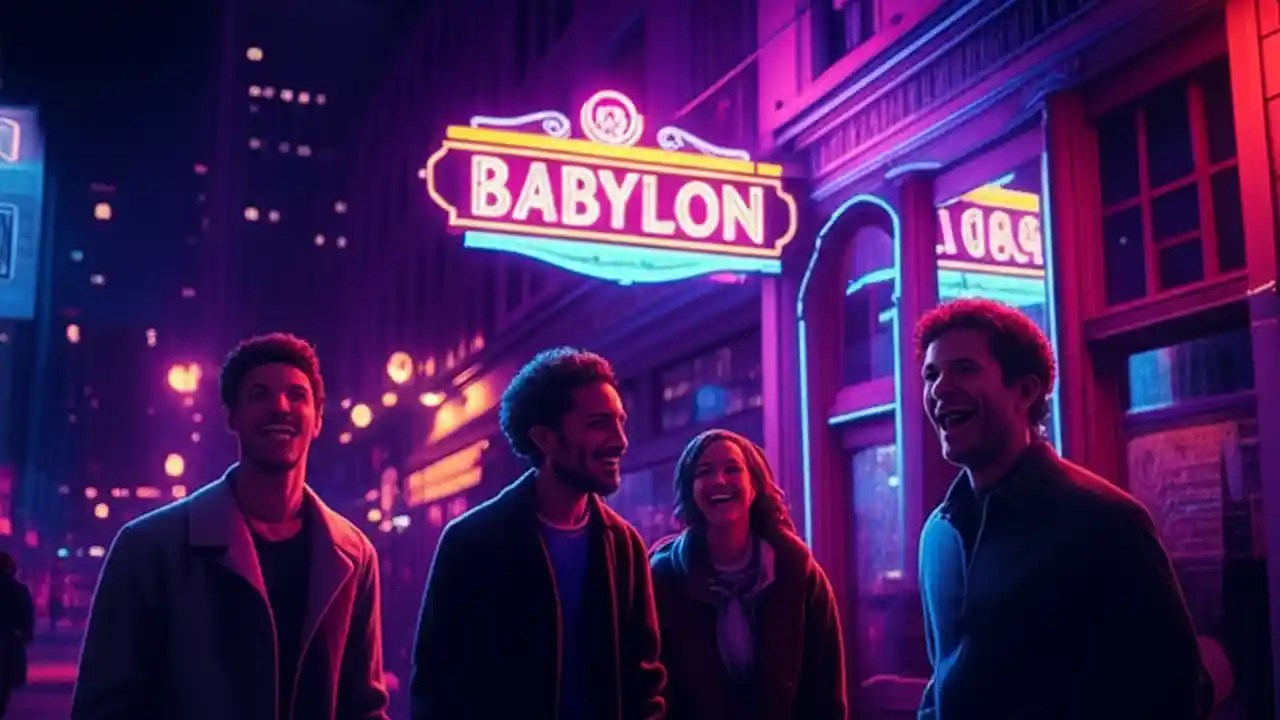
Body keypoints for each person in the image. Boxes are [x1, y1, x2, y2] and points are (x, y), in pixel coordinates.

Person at [915, 299, 1208, 719]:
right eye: (931, 374)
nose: (940, 388)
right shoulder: (937, 536)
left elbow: (1176, 694)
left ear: (1026, 391)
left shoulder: (1104, 522)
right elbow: (942, 686)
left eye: (964, 368)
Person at [73, 333, 389, 720]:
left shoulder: (354, 555)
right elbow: (105, 707)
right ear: (231, 417)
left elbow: (364, 707)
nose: (280, 407)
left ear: (318, 419)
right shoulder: (149, 547)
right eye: (259, 394)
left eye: (297, 395)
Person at [410, 347, 665, 720]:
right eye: (599, 424)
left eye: (620, 421)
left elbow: (645, 683)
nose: (620, 440)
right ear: (545, 439)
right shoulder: (471, 542)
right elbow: (436, 688)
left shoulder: (623, 545)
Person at [650, 429, 846, 720]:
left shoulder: (798, 574)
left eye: (732, 469)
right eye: (705, 472)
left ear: (754, 486)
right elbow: (651, 691)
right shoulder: (662, 580)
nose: (719, 480)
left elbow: (827, 690)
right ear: (690, 489)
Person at [0, 552, 33, 718]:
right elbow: (26, 617)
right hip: (8, 640)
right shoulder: (18, 589)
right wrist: (25, 634)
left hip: (7, 639)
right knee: (4, 682)